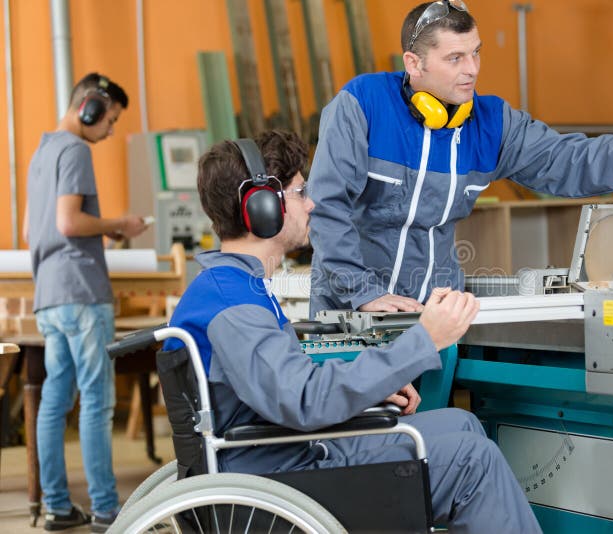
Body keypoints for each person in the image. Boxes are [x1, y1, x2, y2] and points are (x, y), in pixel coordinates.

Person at [164, 130, 543, 532]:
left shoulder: (234, 287)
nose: (311, 204)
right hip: (279, 481)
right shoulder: (232, 303)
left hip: (285, 455)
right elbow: (303, 399)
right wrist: (424, 340)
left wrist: (373, 386)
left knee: (460, 424)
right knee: (471, 459)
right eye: (300, 193)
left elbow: (285, 385)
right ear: (262, 207)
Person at [307, 0, 613, 318]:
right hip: (352, 317)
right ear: (414, 63)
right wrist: (363, 294)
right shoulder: (362, 105)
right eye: (455, 58)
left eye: (476, 53)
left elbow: (562, 158)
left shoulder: (491, 122)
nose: (472, 70)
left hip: (434, 319)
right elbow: (326, 207)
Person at [24, 72, 148, 532]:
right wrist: (119, 224)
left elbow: (33, 231)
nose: (110, 130)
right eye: (110, 120)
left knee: (54, 400)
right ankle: (106, 509)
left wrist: (101, 234)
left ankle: (57, 506)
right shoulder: (75, 150)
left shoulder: (41, 152)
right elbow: (69, 222)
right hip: (81, 292)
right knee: (97, 401)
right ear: (89, 108)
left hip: (49, 295)